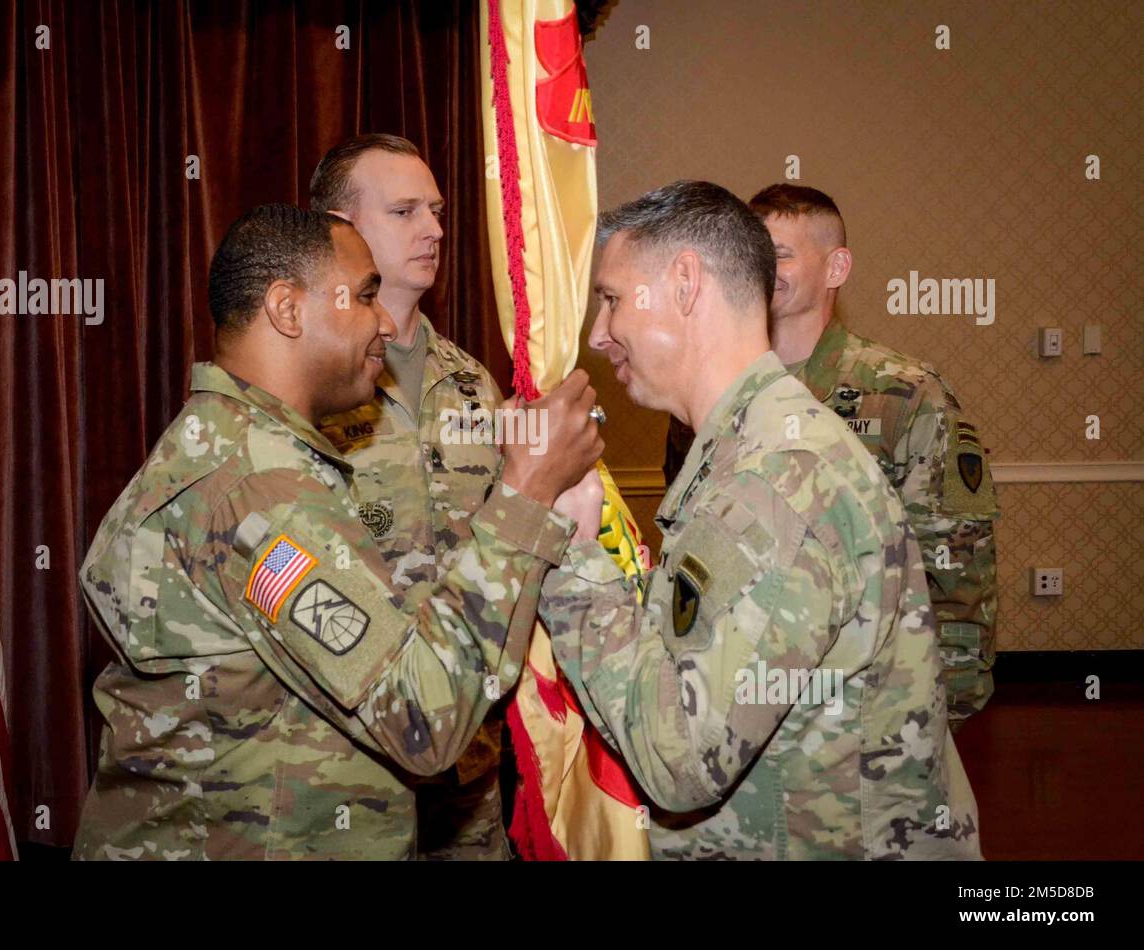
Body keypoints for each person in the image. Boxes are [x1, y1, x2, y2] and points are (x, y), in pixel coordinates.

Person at [73, 203, 602, 860]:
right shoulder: (257, 489)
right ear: (287, 310)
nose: (385, 323)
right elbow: (423, 716)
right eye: (367, 295)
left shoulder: (251, 455)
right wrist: (527, 492)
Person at [546, 181, 981, 859]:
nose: (599, 334)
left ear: (686, 283)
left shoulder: (776, 476)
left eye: (612, 299)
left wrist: (571, 557)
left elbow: (681, 761)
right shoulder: (752, 445)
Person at [667, 184, 999, 729]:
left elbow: (957, 569)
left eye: (780, 255)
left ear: (836, 267)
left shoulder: (905, 396)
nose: (760, 269)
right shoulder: (704, 395)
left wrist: (945, 713)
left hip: (864, 711)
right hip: (729, 700)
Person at [310, 134, 520, 859]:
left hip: (467, 772)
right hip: (343, 773)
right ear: (344, 230)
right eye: (404, 211)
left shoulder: (472, 382)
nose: (434, 228)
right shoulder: (303, 389)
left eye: (435, 210)